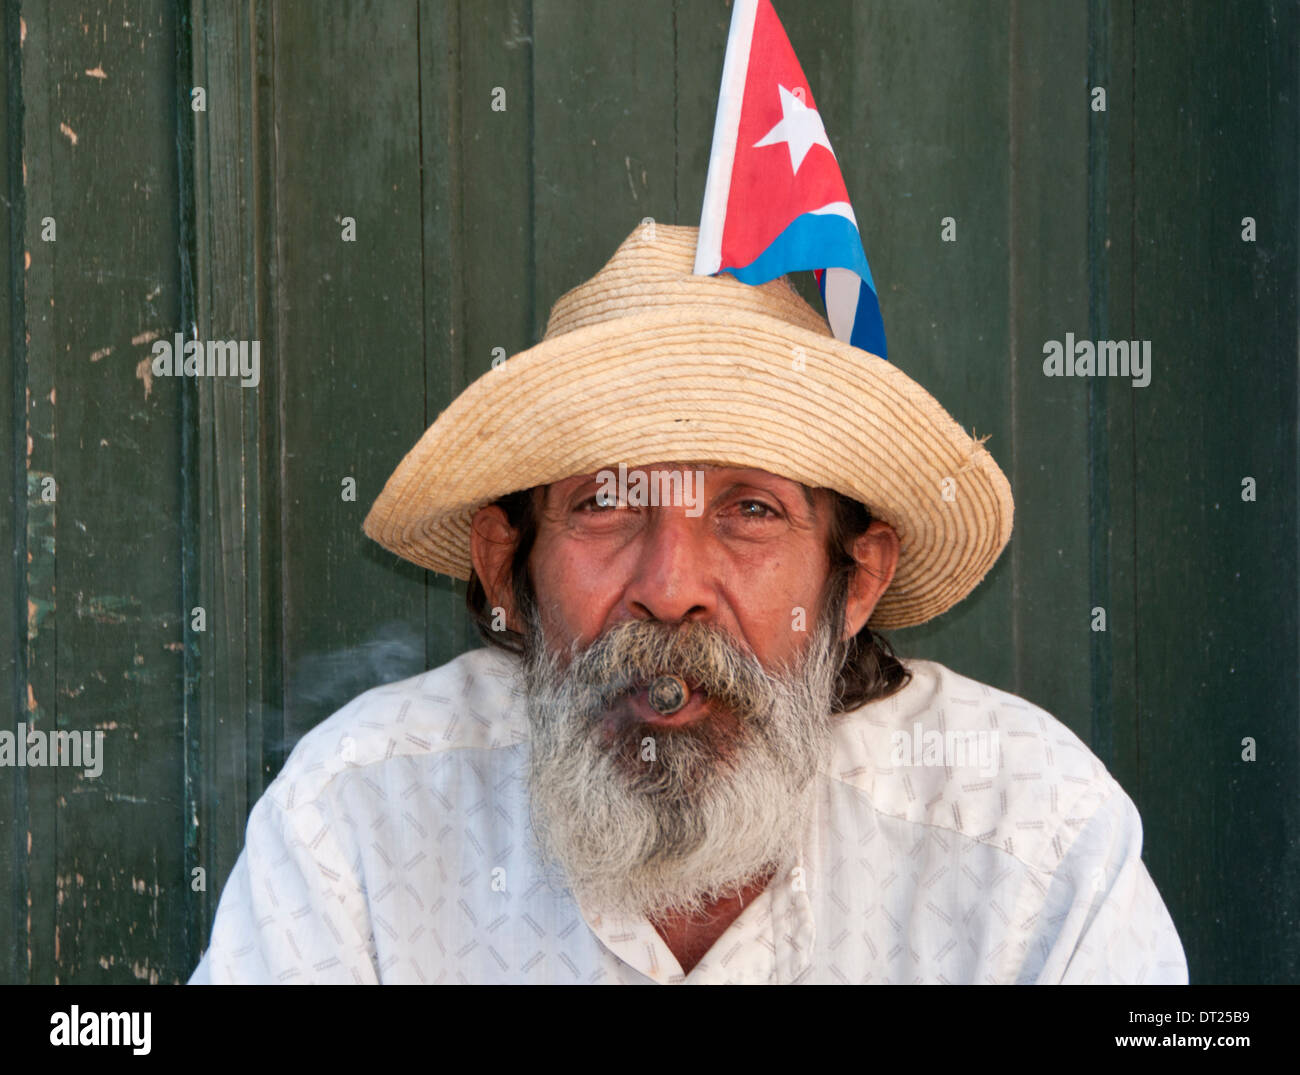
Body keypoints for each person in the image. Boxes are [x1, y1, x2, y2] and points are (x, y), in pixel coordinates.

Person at [189, 223, 1187, 984]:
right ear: (507, 569)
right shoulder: (357, 824)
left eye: (750, 511)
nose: (668, 587)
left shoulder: (1031, 839)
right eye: (605, 505)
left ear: (858, 579)